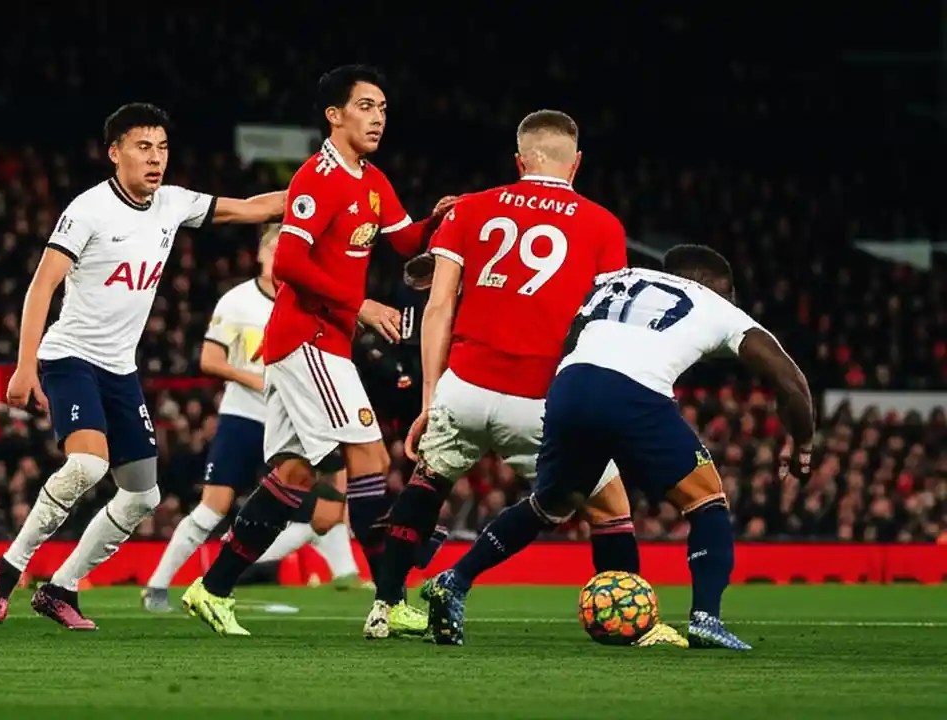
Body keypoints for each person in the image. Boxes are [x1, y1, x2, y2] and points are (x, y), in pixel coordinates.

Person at [368, 110, 683, 646]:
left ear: (519, 161)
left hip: (464, 386)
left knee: (428, 482)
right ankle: (629, 625)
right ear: (575, 163)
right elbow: (604, 326)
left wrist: (431, 396)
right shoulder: (603, 225)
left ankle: (386, 607)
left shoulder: (468, 209)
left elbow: (439, 305)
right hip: (538, 397)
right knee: (609, 505)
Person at [0, 103, 286, 630]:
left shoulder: (172, 203)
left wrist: (321, 193)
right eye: (143, 147)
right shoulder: (88, 210)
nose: (156, 158)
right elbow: (42, 285)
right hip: (70, 356)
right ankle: (7, 568)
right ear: (114, 152)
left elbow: (250, 208)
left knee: (144, 494)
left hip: (120, 369)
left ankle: (61, 588)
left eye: (163, 147)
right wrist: (25, 365)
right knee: (88, 466)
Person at [423, 245, 815, 650]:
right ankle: (705, 619)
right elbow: (792, 382)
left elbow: (571, 338)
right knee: (707, 501)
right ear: (719, 286)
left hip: (569, 385)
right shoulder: (717, 307)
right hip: (634, 392)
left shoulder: (615, 279)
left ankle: (454, 580)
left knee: (552, 503)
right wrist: (802, 443)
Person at [181, 64, 457, 637]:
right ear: (334, 115)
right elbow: (288, 263)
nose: (378, 117)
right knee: (371, 461)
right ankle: (389, 600)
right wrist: (360, 306)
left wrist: (441, 218)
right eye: (365, 106)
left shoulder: (372, 179)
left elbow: (405, 238)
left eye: (383, 107)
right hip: (309, 339)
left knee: (294, 475)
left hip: (316, 344)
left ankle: (212, 589)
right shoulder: (318, 177)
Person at [140, 225, 360, 612]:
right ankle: (157, 586)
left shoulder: (308, 302)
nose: (278, 254)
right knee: (214, 506)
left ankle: (342, 570)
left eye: (287, 247)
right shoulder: (237, 301)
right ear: (259, 254)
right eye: (272, 247)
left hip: (294, 420)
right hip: (244, 415)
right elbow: (210, 360)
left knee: (318, 505)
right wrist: (258, 380)